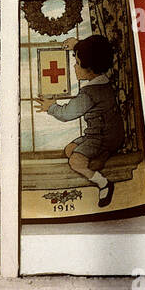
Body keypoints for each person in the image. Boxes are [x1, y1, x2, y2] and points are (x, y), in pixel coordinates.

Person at [32, 34, 124, 207]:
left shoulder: (90, 93)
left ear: (89, 69)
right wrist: (77, 46)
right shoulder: (103, 80)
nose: (74, 66)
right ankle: (100, 159)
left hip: (102, 138)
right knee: (69, 149)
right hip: (105, 133)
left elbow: (67, 114)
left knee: (74, 161)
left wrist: (50, 107)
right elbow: (92, 54)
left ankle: (104, 184)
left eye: (77, 63)